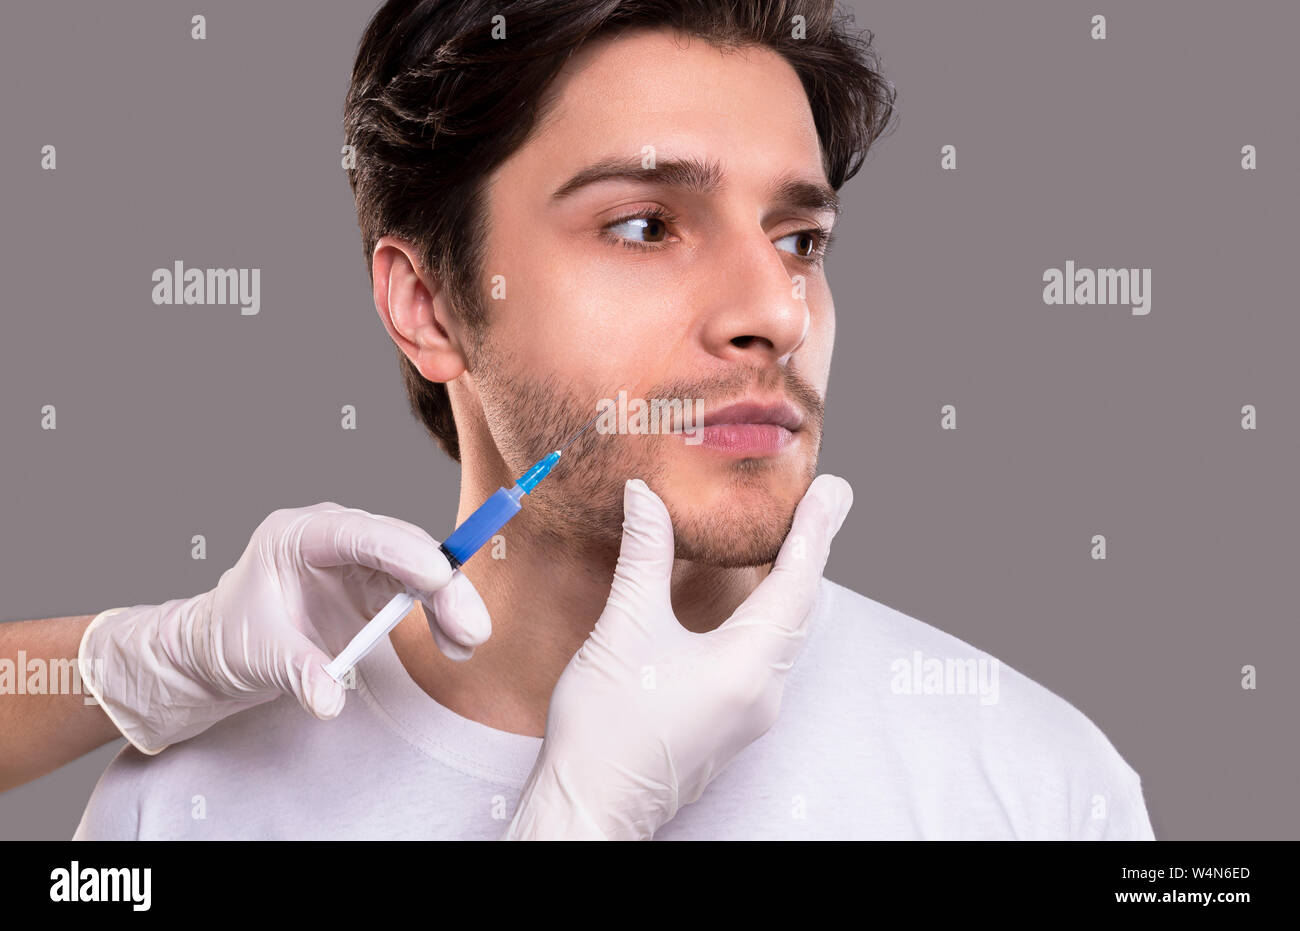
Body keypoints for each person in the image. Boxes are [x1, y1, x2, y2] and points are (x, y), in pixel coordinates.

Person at [4, 0, 1155, 840]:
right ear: (431, 303)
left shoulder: (1036, 786)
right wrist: (136, 663)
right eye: (645, 225)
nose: (774, 311)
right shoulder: (197, 806)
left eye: (799, 240)